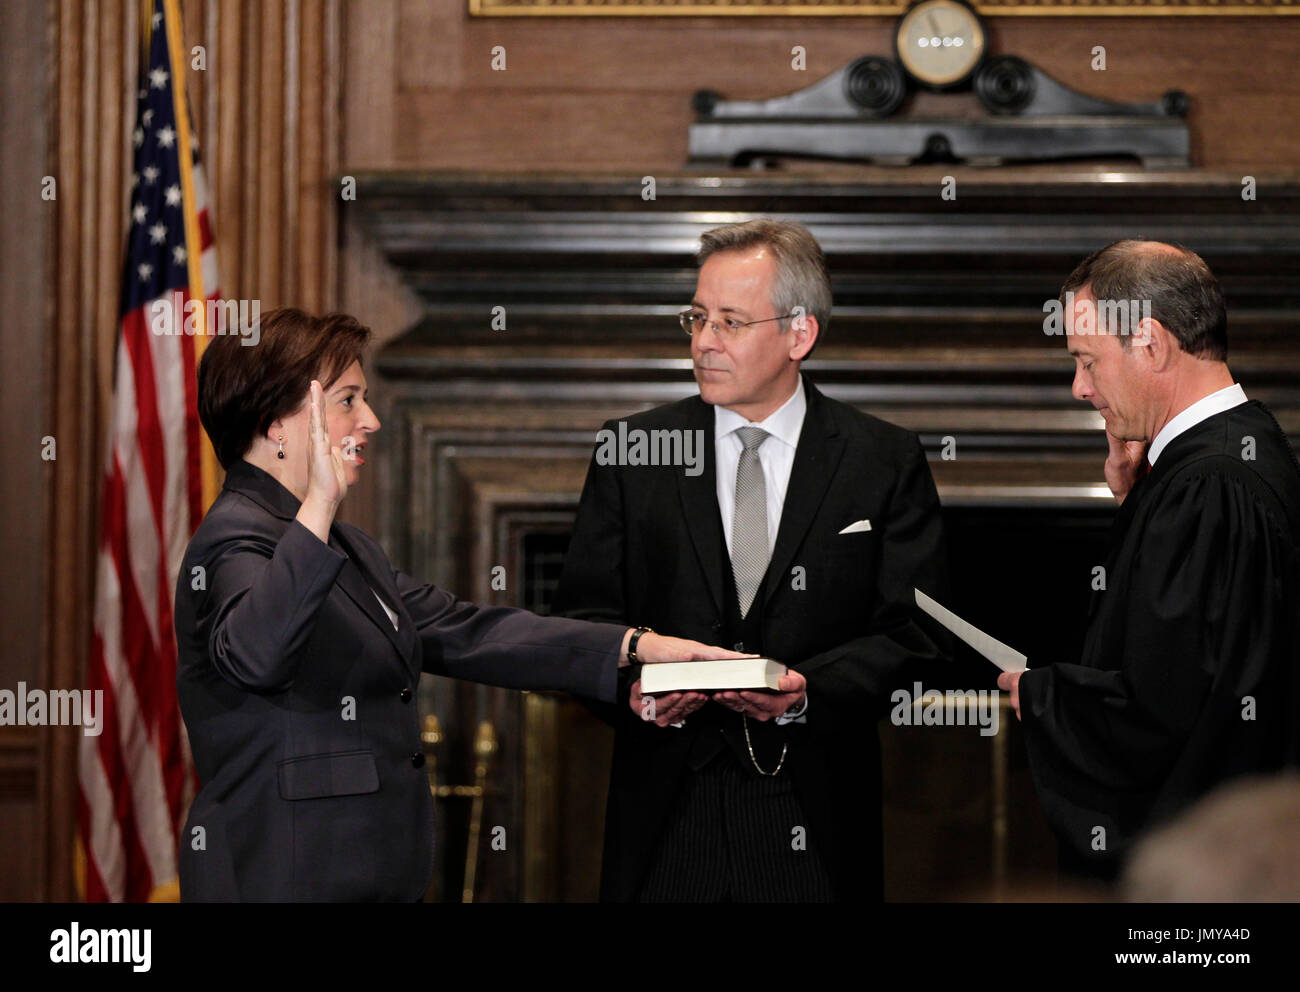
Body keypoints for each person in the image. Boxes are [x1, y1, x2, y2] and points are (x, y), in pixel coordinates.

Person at [175, 307, 738, 902]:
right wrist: (319, 503)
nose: (370, 420)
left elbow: (468, 631)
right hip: (279, 880)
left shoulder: (346, 545)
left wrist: (636, 646)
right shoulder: (233, 537)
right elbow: (258, 654)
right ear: (278, 425)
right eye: (347, 401)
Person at [552, 219, 951, 902]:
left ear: (800, 335)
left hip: (815, 815)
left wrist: (805, 694)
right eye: (697, 318)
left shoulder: (881, 460)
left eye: (731, 322)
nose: (704, 342)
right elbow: (581, 623)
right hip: (665, 817)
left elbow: (920, 635)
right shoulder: (632, 450)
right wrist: (634, 693)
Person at [998, 240, 1300, 882]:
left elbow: (1167, 710)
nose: (1080, 387)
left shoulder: (1207, 487)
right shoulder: (1241, 447)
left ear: (1152, 342)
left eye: (1087, 360)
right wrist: (1138, 502)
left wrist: (1044, 697)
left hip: (1207, 882)